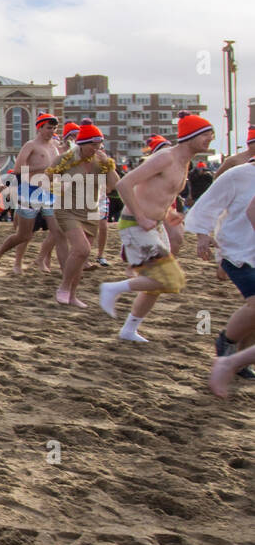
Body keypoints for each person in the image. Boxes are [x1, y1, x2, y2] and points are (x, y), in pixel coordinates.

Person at [98, 112, 212, 341]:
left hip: (155, 225)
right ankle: (112, 289)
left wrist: (169, 214)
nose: (210, 140)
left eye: (212, 135)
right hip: (135, 224)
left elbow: (158, 193)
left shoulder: (184, 162)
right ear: (191, 136)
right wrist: (140, 217)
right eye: (206, 135)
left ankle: (129, 329)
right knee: (170, 278)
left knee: (158, 284)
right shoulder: (165, 157)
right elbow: (124, 183)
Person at [183, 140, 255, 379]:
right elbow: (207, 204)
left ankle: (238, 361)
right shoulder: (238, 174)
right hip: (236, 251)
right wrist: (203, 235)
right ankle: (227, 345)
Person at [45, 120, 118, 307]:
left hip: (91, 211)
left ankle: (72, 295)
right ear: (82, 144)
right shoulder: (66, 159)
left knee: (81, 256)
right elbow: (45, 181)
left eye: (99, 144)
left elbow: (114, 185)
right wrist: (58, 187)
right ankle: (63, 287)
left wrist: (108, 164)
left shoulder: (101, 161)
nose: (97, 148)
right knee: (82, 249)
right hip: (67, 209)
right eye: (93, 145)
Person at [0, 113, 61, 275]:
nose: (52, 131)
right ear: (40, 128)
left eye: (54, 128)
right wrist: (42, 169)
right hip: (30, 191)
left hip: (50, 192)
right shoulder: (31, 145)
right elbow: (17, 169)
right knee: (24, 235)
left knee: (58, 231)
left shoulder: (54, 147)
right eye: (49, 128)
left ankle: (42, 260)